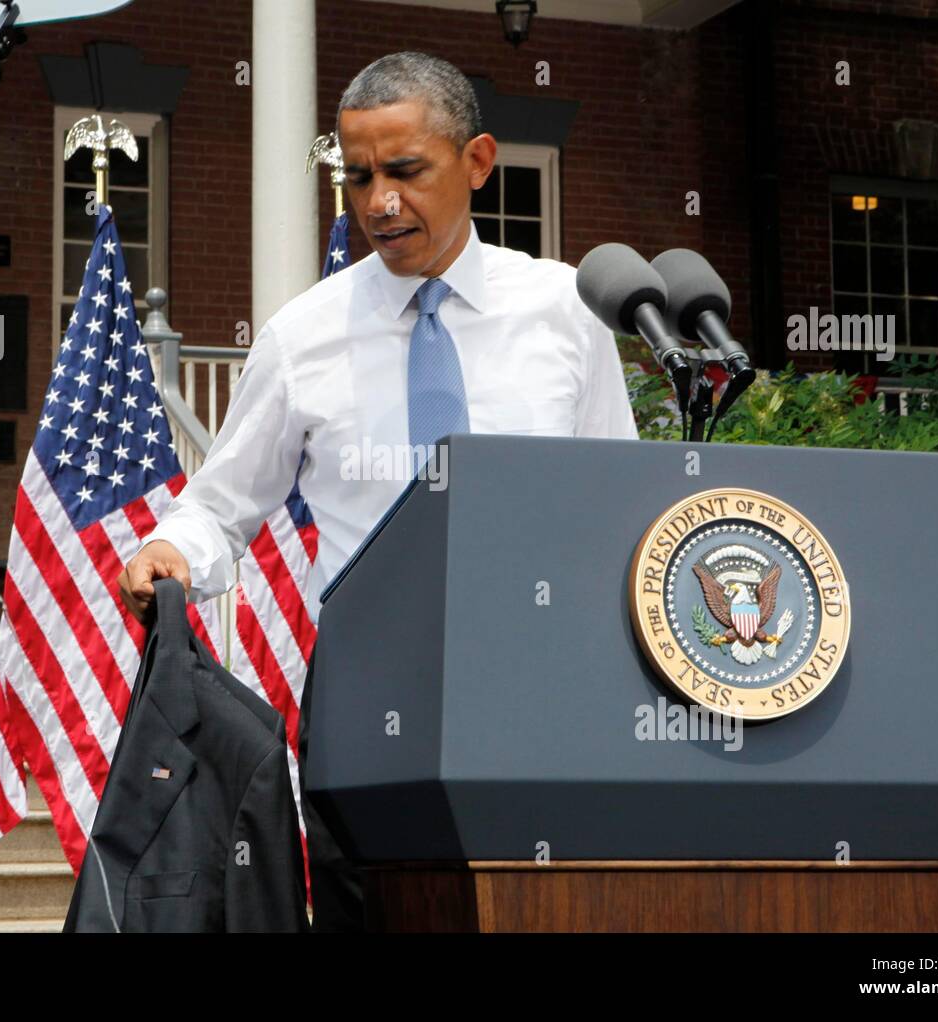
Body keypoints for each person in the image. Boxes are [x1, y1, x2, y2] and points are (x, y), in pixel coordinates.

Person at [117, 51, 639, 930]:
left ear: (477, 161)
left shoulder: (566, 311)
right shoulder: (303, 334)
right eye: (357, 176)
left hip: (544, 675)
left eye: (405, 171)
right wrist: (175, 548)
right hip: (371, 688)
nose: (378, 202)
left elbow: (618, 499)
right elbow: (219, 501)